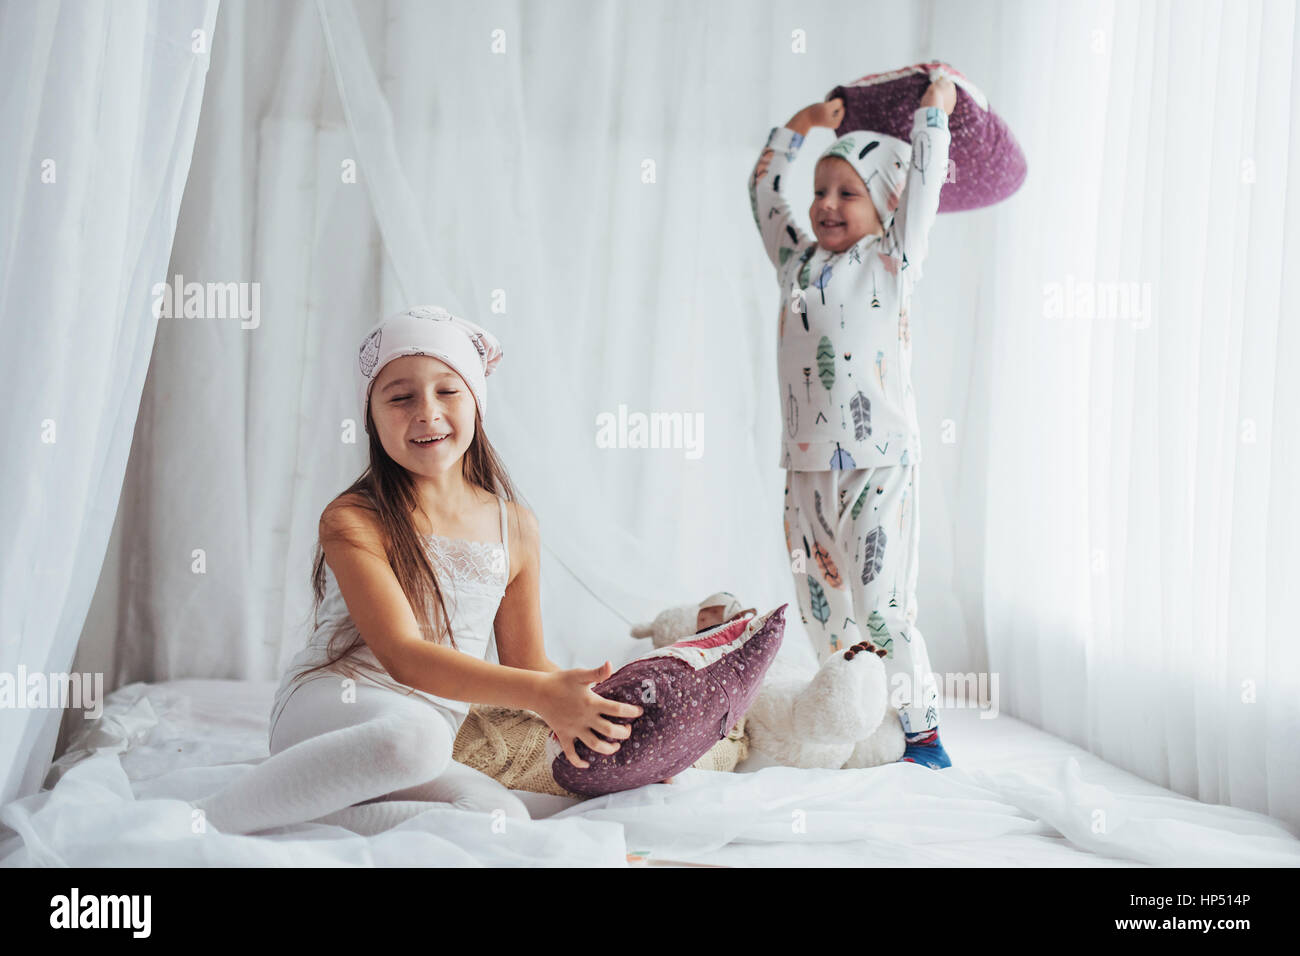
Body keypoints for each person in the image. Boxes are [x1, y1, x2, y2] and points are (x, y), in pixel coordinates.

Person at [190, 305, 646, 836]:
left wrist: (593, 706)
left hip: (424, 734)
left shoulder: (515, 527)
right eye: (401, 397)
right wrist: (542, 695)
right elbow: (403, 657)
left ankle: (305, 809)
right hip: (333, 711)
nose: (426, 412)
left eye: (447, 391)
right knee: (416, 738)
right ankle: (203, 824)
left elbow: (525, 662)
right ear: (372, 419)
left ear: (476, 401)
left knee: (501, 819)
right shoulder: (353, 518)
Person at [748, 79, 956, 768]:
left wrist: (935, 116)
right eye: (821, 190)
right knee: (820, 606)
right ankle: (856, 716)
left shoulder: (893, 261)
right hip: (804, 468)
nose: (827, 205)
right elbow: (764, 193)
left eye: (848, 192)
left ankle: (920, 727)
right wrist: (798, 126)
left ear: (886, 204)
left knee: (880, 605)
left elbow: (925, 184)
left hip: (878, 462)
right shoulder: (795, 262)